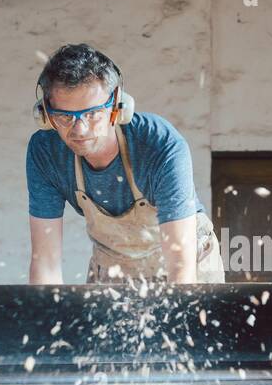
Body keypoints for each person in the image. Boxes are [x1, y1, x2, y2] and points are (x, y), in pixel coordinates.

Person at [26, 43, 225, 284]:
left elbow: (181, 267)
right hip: (113, 265)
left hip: (188, 262)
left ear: (117, 107)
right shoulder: (45, 152)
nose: (79, 129)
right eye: (65, 117)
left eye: (92, 113)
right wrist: (44, 319)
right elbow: (45, 261)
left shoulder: (159, 145)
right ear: (46, 114)